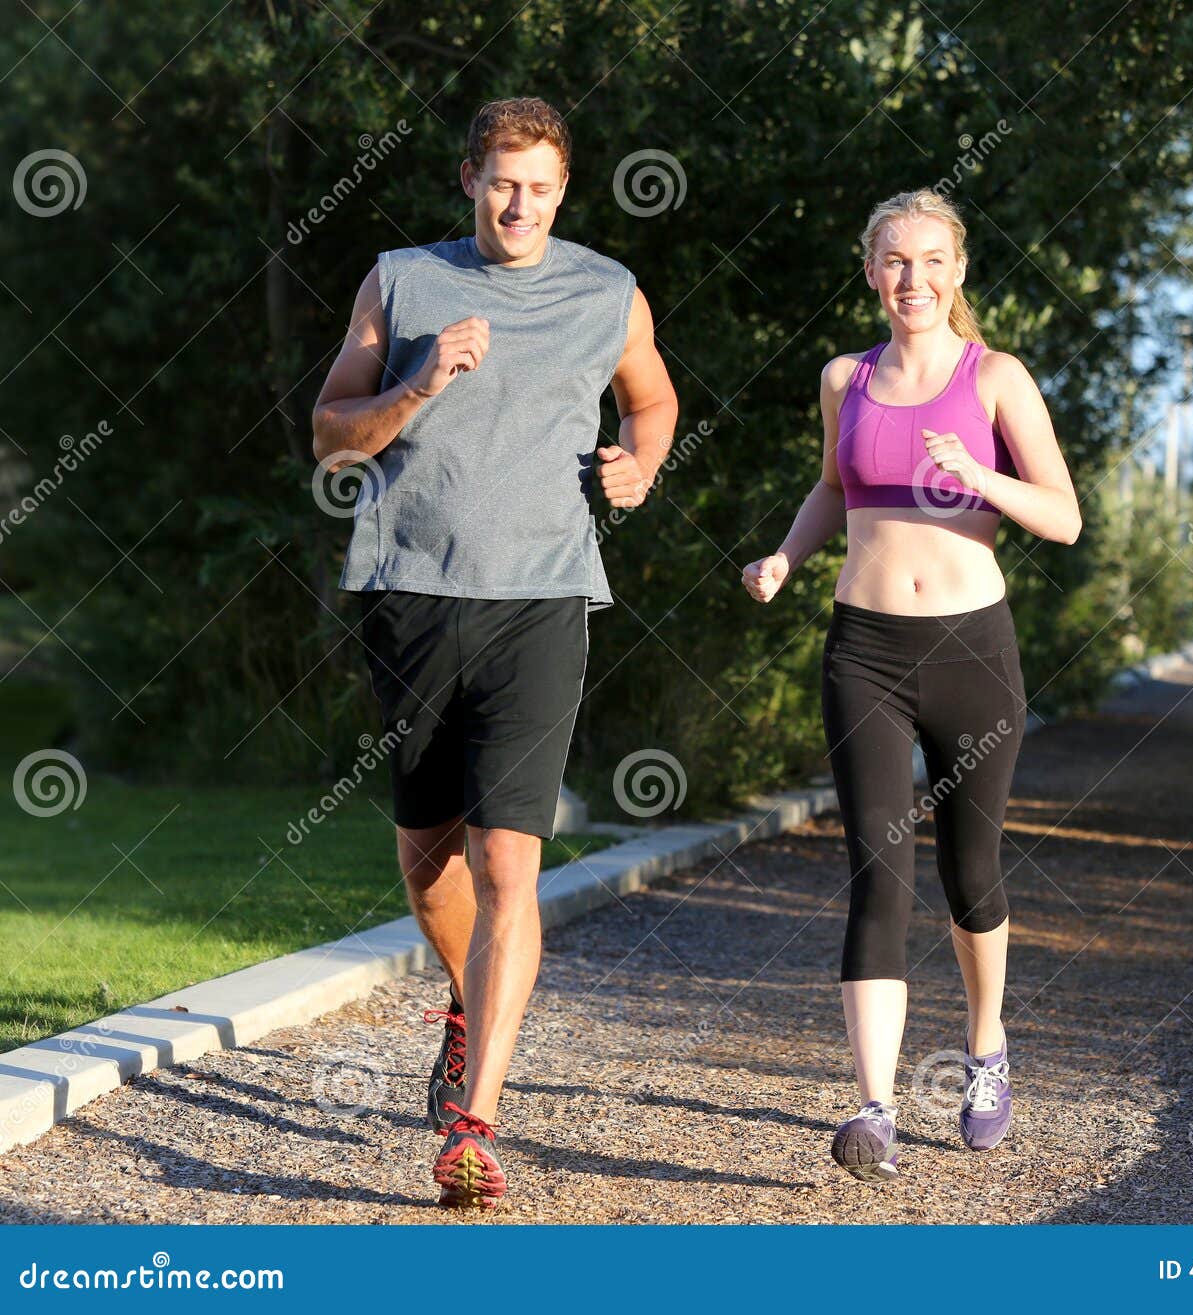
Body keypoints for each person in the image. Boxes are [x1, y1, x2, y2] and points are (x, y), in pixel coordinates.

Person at [310, 96, 677, 1208]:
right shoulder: (400, 281)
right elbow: (330, 433)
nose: (520, 205)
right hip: (411, 590)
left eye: (542, 188)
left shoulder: (605, 291)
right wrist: (418, 383)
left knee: (511, 861)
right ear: (468, 178)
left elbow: (652, 403)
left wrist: (639, 464)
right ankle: (467, 1003)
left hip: (542, 600)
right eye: (502, 182)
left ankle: (474, 1124)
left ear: (564, 194)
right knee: (429, 863)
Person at [741, 187, 1081, 1181]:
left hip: (973, 651)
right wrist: (785, 558)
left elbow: (1062, 516)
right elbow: (832, 487)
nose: (913, 280)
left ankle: (985, 1053)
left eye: (932, 261)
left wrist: (978, 478)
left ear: (958, 271)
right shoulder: (842, 377)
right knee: (875, 875)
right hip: (866, 652)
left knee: (970, 875)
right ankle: (875, 1106)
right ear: (869, 271)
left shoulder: (996, 379)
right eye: (895, 262)